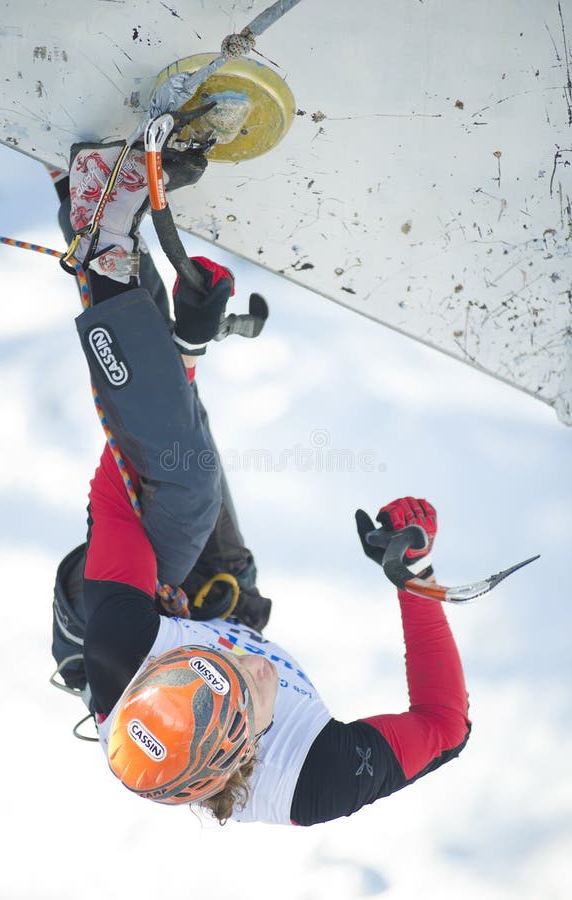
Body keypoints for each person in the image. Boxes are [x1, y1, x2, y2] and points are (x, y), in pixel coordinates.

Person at [54, 140, 471, 826]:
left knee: (184, 483)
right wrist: (416, 577)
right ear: (247, 750)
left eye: (212, 663)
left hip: (118, 603)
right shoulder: (312, 778)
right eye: (245, 694)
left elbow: (123, 481)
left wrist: (184, 358)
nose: (251, 669)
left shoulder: (123, 651)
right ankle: (90, 206)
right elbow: (444, 727)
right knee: (194, 486)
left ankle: (102, 226)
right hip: (209, 604)